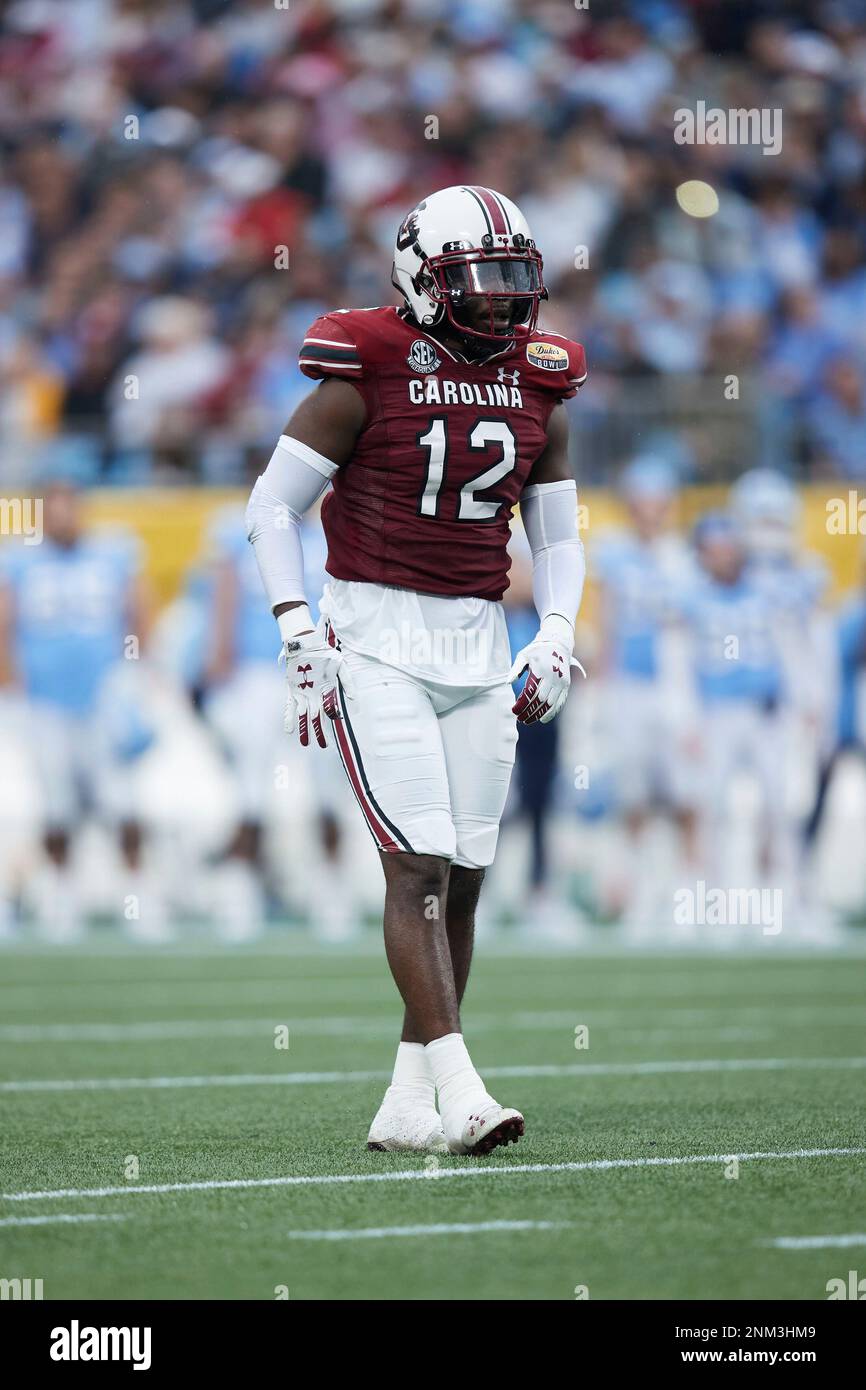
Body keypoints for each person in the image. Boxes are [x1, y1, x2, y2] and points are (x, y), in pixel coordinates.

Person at [246, 186, 586, 1155]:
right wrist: (295, 628)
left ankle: (404, 1104)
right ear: (419, 281)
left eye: (511, 282)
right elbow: (270, 507)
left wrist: (554, 627)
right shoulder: (364, 363)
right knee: (416, 868)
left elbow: (558, 536)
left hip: (479, 640)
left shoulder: (541, 380)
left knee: (466, 877)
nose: (498, 304)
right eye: (474, 284)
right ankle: (461, 1087)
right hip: (377, 637)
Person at [0, 479, 161, 940]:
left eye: (70, 507)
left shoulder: (113, 551)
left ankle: (137, 893)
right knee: (56, 804)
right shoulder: (19, 560)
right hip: (45, 700)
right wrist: (11, 686)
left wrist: (139, 671)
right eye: (55, 508)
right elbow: (5, 623)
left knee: (123, 800)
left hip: (104, 695)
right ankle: (60, 895)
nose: (64, 517)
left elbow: (138, 608)